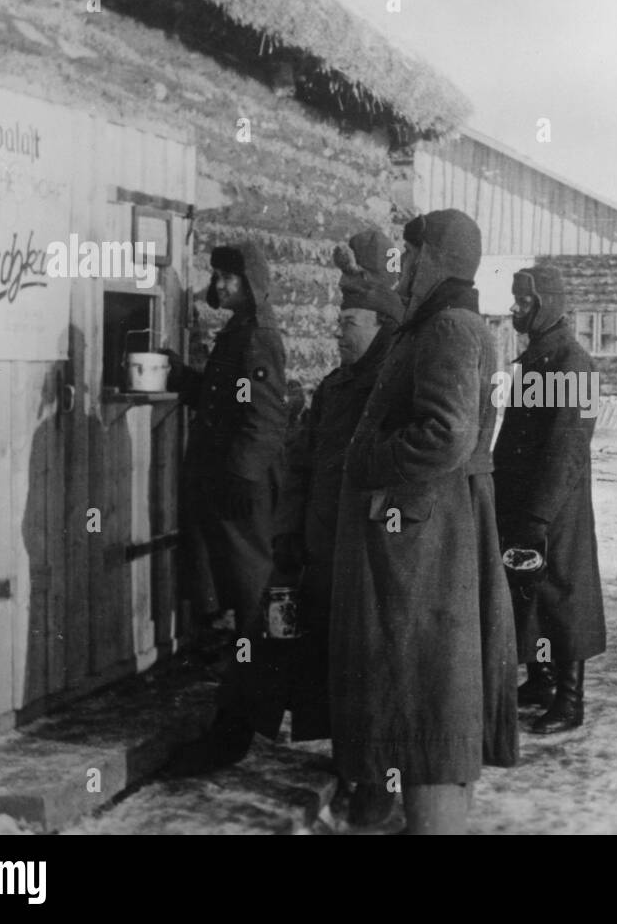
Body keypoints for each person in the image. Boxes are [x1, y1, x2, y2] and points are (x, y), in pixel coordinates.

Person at [331, 209, 518, 834]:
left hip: (423, 541)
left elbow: (446, 434)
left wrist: (370, 462)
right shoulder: (434, 321)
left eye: (410, 259)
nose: (403, 271)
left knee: (427, 691)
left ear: (432, 258)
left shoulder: (450, 327)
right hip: (420, 533)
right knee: (418, 688)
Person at [268, 231, 404, 822]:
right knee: (333, 665)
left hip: (370, 555)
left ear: (378, 325)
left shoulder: (390, 388)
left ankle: (379, 786)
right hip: (325, 551)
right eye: (339, 317)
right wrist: (289, 533)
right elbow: (300, 464)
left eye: (348, 319)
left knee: (373, 669)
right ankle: (352, 766)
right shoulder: (334, 387)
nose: (337, 329)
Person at [167, 243, 289, 773]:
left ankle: (237, 729)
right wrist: (184, 379)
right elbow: (228, 399)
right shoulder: (238, 332)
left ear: (241, 283)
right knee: (246, 607)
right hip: (231, 491)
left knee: (253, 607)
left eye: (221, 277)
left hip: (243, 496)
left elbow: (264, 416)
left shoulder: (257, 336)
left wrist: (241, 475)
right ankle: (242, 717)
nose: (213, 286)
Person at [494, 266, 606, 734]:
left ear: (547, 304)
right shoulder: (538, 357)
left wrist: (540, 513)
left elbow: (567, 446)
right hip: (526, 499)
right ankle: (540, 680)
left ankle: (571, 699)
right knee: (529, 592)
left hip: (555, 507)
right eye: (516, 298)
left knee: (563, 596)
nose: (515, 308)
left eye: (524, 300)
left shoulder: (572, 363)